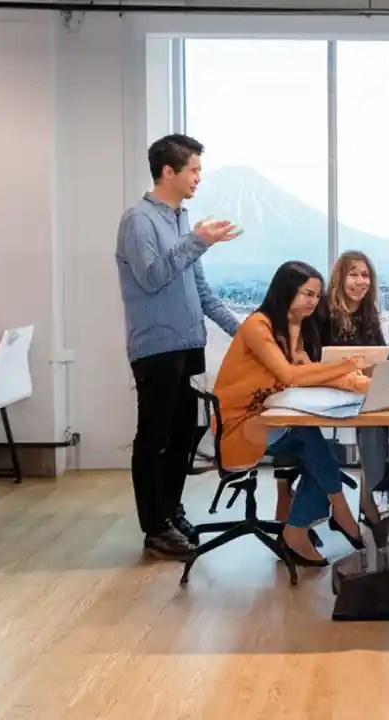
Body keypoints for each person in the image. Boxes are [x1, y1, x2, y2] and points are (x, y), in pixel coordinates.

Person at [116, 133, 244, 560]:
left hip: (189, 344)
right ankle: (154, 528)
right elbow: (152, 277)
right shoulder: (138, 220)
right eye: (193, 170)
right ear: (167, 172)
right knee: (154, 438)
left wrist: (242, 329)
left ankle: (170, 511)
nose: (198, 179)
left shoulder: (181, 220)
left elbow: (200, 290)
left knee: (186, 432)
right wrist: (198, 242)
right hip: (156, 348)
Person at [214, 261, 371, 567]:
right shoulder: (258, 326)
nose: (312, 301)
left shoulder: (293, 326)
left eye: (316, 295)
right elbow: (289, 375)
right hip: (238, 427)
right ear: (286, 292)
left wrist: (356, 382)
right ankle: (337, 511)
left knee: (328, 450)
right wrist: (348, 366)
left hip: (269, 418)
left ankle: (297, 529)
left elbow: (307, 370)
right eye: (306, 294)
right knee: (308, 435)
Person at [316, 250, 389, 523]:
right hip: (324, 389)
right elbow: (315, 358)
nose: (360, 281)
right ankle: (370, 498)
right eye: (354, 274)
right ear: (340, 277)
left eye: (365, 275)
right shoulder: (322, 311)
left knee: (379, 413)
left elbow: (383, 353)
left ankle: (369, 495)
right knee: (374, 414)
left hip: (360, 389)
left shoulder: (367, 313)